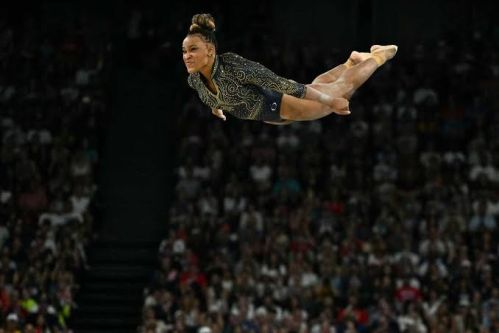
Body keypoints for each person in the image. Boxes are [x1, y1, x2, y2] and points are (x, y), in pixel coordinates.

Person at [182, 13, 397, 125]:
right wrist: (217, 106)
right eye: (184, 51)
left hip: (281, 101)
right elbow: (215, 95)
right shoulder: (195, 80)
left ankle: (380, 55)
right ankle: (351, 62)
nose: (187, 56)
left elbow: (280, 84)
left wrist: (330, 101)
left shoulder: (233, 67)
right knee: (320, 85)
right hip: (271, 116)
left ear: (210, 50)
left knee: (342, 89)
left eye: (193, 49)